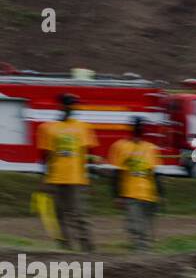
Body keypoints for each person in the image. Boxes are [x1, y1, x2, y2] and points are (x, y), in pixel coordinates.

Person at [36, 94, 99, 251]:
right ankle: (66, 248)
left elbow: (88, 152)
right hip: (56, 177)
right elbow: (46, 155)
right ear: (61, 106)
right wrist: (44, 176)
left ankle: (87, 247)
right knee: (59, 215)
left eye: (74, 105)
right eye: (70, 105)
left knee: (79, 214)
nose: (73, 108)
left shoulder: (83, 127)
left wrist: (91, 173)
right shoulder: (48, 128)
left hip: (76, 178)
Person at [107, 117, 162, 251]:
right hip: (130, 193)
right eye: (136, 127)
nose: (138, 130)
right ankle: (140, 250)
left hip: (148, 193)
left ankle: (146, 250)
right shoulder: (120, 146)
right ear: (131, 129)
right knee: (134, 224)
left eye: (141, 127)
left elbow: (155, 173)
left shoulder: (150, 148)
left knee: (146, 224)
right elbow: (116, 174)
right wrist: (117, 195)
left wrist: (160, 193)